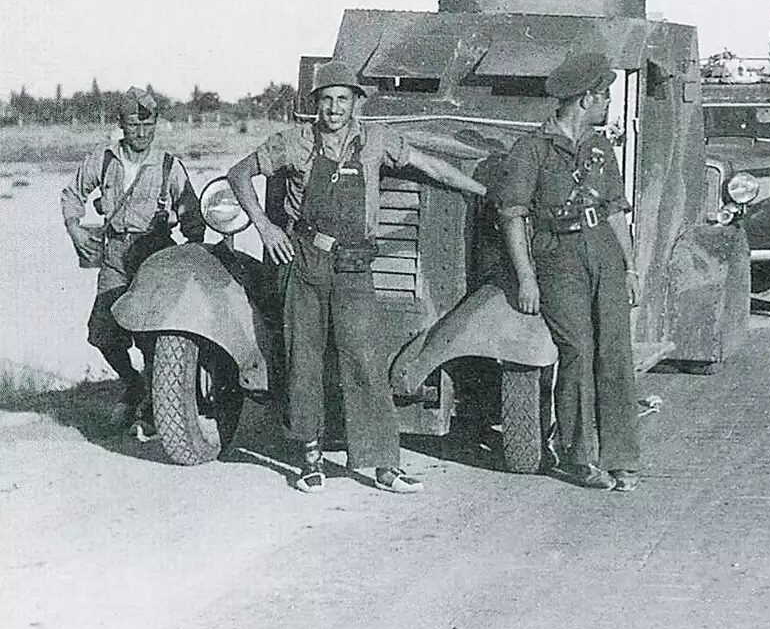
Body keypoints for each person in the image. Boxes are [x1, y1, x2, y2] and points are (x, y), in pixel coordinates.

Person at [226, 60, 487, 494]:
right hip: (304, 262)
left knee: (366, 361)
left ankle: (384, 464)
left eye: (342, 99)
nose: (333, 108)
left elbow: (430, 166)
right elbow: (239, 174)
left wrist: (482, 192)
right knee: (302, 362)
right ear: (316, 104)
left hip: (353, 267)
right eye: (326, 100)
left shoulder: (375, 142)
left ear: (355, 103)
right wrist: (266, 228)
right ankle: (309, 459)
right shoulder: (293, 143)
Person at [496, 51, 641, 493]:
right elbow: (513, 217)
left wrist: (630, 267)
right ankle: (579, 458)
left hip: (603, 251)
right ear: (583, 100)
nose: (608, 104)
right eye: (604, 96)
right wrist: (526, 277)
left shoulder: (599, 147)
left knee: (615, 352)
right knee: (576, 351)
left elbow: (616, 212)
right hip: (559, 256)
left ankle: (621, 460)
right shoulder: (531, 151)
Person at [61, 87, 205, 437]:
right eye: (133, 125)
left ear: (156, 124)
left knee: (152, 336)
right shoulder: (105, 158)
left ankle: (157, 407)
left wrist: (188, 258)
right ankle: (133, 383)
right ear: (121, 125)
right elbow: (72, 193)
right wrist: (75, 229)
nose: (141, 133)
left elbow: (193, 220)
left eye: (148, 125)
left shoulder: (169, 165)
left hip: (154, 257)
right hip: (114, 257)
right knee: (103, 332)